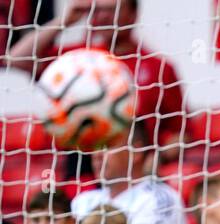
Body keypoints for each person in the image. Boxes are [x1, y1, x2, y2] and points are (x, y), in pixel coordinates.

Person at [5, 0, 186, 152]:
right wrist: (65, 20)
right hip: (79, 165)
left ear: (133, 14)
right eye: (97, 10)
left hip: (132, 166)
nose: (103, 17)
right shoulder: (80, 59)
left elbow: (183, 132)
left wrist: (160, 153)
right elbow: (15, 59)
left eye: (111, 10)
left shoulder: (158, 68)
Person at [70, 126, 189, 224]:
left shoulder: (160, 199)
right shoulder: (83, 200)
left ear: (136, 152)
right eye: (95, 147)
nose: (97, 155)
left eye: (108, 145)